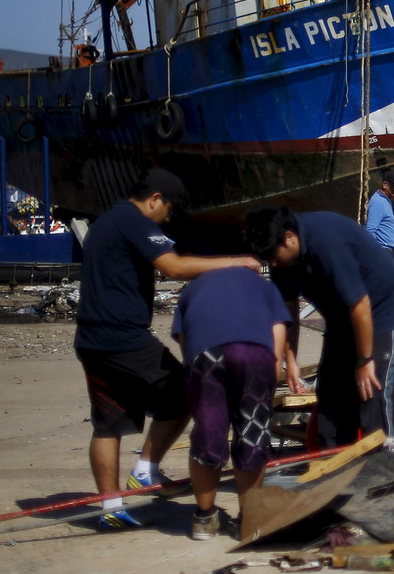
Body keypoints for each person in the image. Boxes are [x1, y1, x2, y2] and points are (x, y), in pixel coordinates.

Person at [74, 167, 263, 530]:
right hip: (124, 338)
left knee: (107, 422)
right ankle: (145, 470)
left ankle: (111, 508)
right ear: (155, 199)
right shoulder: (133, 221)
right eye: (169, 210)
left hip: (92, 339)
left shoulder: (106, 222)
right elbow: (173, 267)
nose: (168, 218)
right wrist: (235, 261)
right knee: (187, 392)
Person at [244, 207, 394, 447]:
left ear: (289, 237)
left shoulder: (327, 245)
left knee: (370, 391)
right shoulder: (280, 258)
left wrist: (365, 361)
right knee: (332, 393)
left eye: (273, 257)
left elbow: (360, 304)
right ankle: (332, 459)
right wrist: (291, 361)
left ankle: (381, 460)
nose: (273, 264)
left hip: (380, 309)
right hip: (340, 315)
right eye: (267, 260)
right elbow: (287, 309)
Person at [171, 266, 291, 540]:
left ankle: (204, 519)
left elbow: (184, 339)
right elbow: (278, 335)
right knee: (252, 434)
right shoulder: (264, 286)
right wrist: (268, 383)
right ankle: (248, 520)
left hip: (204, 354)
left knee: (208, 430)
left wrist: (196, 374)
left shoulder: (194, 287)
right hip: (253, 353)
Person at [365, 170, 394, 250]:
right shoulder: (378, 202)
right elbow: (370, 230)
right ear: (385, 185)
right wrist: (377, 251)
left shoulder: (385, 201)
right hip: (382, 249)